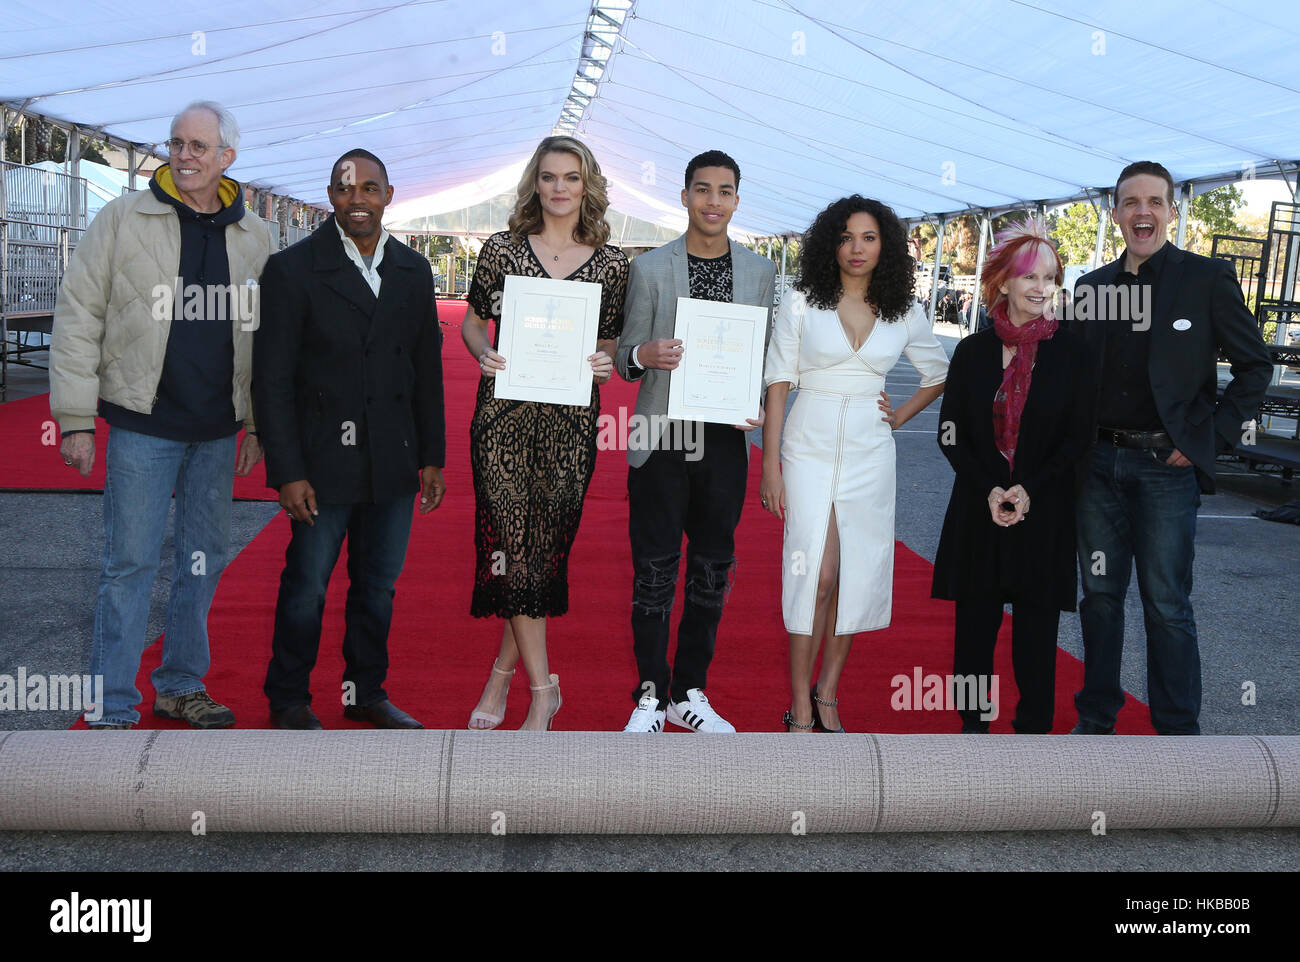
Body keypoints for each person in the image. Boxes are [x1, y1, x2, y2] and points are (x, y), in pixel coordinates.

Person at [49, 101, 270, 730]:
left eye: (199, 145)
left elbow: (264, 335)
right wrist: (74, 417)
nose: (184, 155)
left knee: (202, 561)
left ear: (227, 156)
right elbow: (79, 312)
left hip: (216, 430)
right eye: (176, 143)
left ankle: (180, 685)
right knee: (130, 564)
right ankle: (113, 703)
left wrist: (256, 423)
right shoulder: (123, 217)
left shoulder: (255, 236)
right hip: (143, 424)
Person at [1069, 161, 1272, 735]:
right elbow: (1072, 377)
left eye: (1154, 202)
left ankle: (1179, 733)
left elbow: (1255, 366)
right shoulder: (1092, 288)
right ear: (1115, 213)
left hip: (1166, 468)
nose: (1143, 212)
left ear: (1171, 211)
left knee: (1166, 604)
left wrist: (1209, 438)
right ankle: (1096, 719)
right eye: (1131, 202)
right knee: (1099, 597)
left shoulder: (1206, 279)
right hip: (1098, 466)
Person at [254, 149, 446, 730]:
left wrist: (431, 457)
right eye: (345, 189)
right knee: (307, 585)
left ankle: (366, 693)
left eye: (369, 188)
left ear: (389, 195)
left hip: (393, 457)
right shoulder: (291, 270)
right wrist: (287, 471)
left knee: (378, 586)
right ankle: (288, 699)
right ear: (330, 196)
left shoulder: (413, 271)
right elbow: (272, 380)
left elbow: (426, 371)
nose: (357, 199)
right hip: (321, 463)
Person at [760, 195, 947, 733]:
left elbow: (938, 373)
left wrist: (899, 415)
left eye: (868, 237)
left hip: (871, 448)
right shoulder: (801, 301)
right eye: (846, 237)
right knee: (815, 574)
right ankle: (799, 704)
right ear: (830, 244)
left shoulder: (904, 309)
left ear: (885, 245)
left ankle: (828, 694)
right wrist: (770, 465)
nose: (857, 248)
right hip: (807, 442)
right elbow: (778, 382)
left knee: (854, 574)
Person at [461, 136, 628, 731]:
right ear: (536, 182)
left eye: (572, 177)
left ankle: (499, 678)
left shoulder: (612, 264)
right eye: (550, 176)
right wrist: (483, 352)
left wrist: (604, 363)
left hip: (569, 425)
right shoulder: (502, 249)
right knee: (511, 549)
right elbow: (473, 323)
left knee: (538, 557)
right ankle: (542, 691)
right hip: (502, 419)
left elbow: (607, 344)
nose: (560, 188)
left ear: (587, 186)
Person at [614, 150, 775, 734]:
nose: (713, 201)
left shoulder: (760, 272)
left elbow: (762, 355)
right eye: (702, 189)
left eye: (724, 191)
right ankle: (650, 696)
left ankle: (688, 692)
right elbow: (624, 358)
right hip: (661, 434)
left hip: (725, 440)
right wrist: (644, 353)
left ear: (737, 200)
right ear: (684, 197)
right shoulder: (650, 267)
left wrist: (756, 401)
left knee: (711, 568)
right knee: (654, 569)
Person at [930, 220, 1091, 733]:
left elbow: (1078, 438)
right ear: (1003, 282)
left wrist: (1028, 490)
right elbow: (950, 433)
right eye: (1029, 276)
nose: (1042, 287)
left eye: (1050, 277)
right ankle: (972, 731)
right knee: (973, 632)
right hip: (979, 509)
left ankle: (1034, 733)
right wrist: (990, 489)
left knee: (1037, 635)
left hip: (1043, 511)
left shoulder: (1072, 352)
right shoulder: (972, 352)